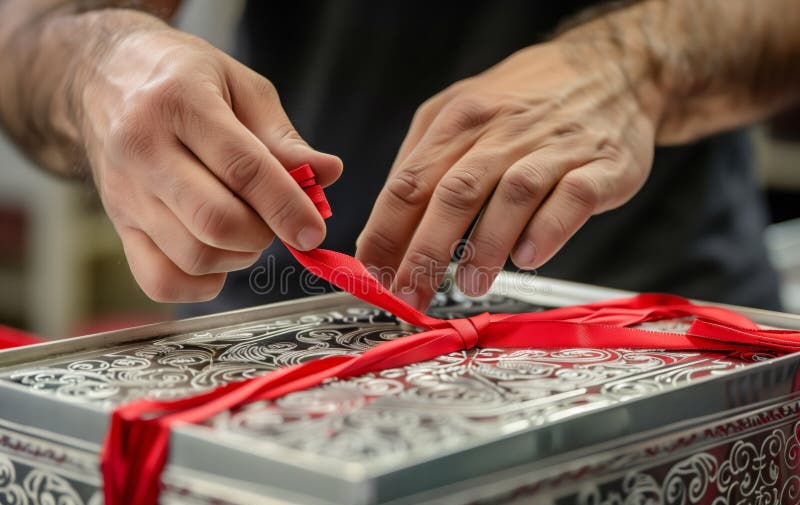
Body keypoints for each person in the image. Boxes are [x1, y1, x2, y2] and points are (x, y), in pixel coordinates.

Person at [0, 0, 798, 318]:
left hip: (651, 331)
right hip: (273, 332)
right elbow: (33, 33)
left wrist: (640, 58)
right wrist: (97, 63)